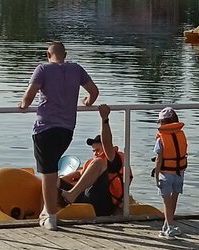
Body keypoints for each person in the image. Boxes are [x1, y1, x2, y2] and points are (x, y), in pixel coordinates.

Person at [19, 41, 99, 230]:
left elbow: (29, 97)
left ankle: (51, 217)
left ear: (48, 55)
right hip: (67, 130)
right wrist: (87, 102)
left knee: (48, 172)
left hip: (45, 129)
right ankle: (48, 210)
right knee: (53, 167)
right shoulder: (76, 69)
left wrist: (23, 104)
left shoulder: (42, 69)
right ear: (65, 54)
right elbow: (94, 92)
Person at [59, 104, 130, 217]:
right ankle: (46, 214)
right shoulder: (94, 164)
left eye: (97, 149)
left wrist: (104, 119)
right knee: (50, 180)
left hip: (102, 205)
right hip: (86, 198)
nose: (95, 153)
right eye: (93, 151)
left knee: (98, 162)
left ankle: (70, 196)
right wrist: (60, 180)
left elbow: (107, 143)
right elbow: (79, 173)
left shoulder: (114, 160)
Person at [153, 106, 187, 238]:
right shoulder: (181, 134)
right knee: (174, 200)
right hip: (179, 172)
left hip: (166, 174)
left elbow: (158, 159)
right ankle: (167, 225)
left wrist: (156, 175)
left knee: (166, 202)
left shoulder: (161, 138)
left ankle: (170, 228)